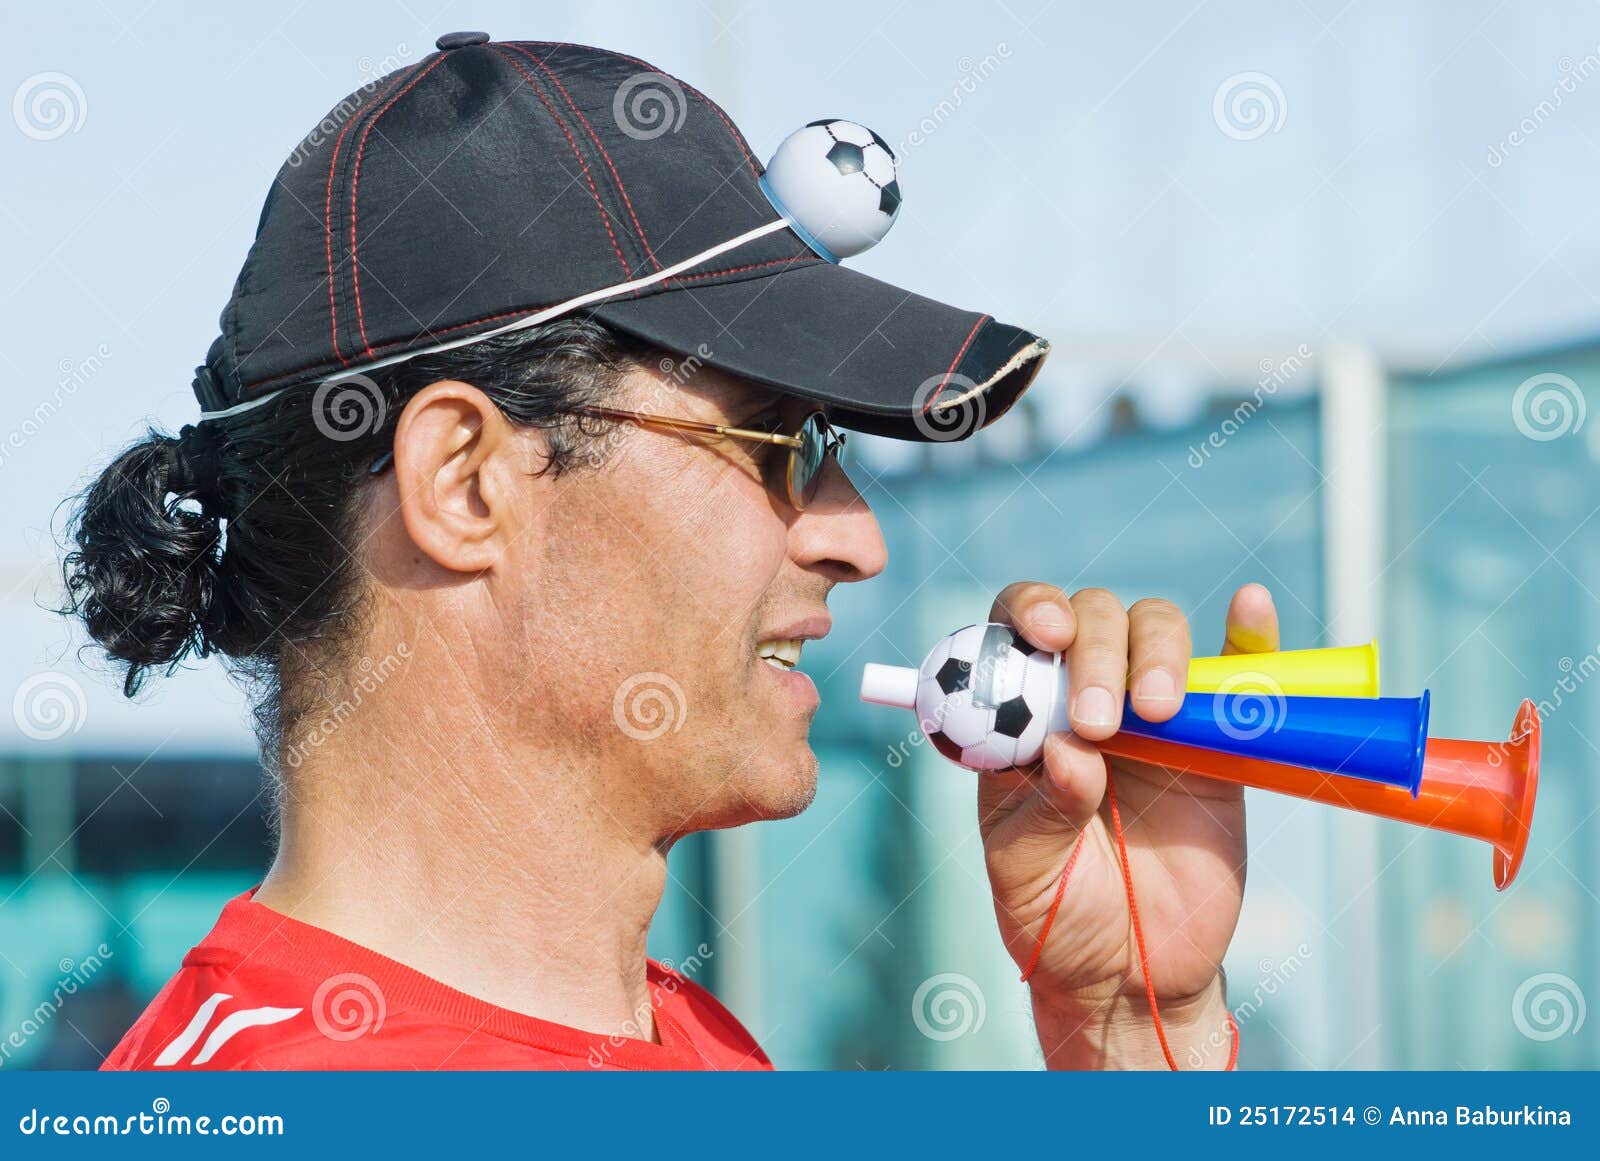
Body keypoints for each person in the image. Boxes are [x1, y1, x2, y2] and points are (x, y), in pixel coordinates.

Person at [65, 34, 1275, 1070]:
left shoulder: (692, 1044)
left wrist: (1127, 1032)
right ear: (466, 484)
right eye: (778, 441)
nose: (854, 538)